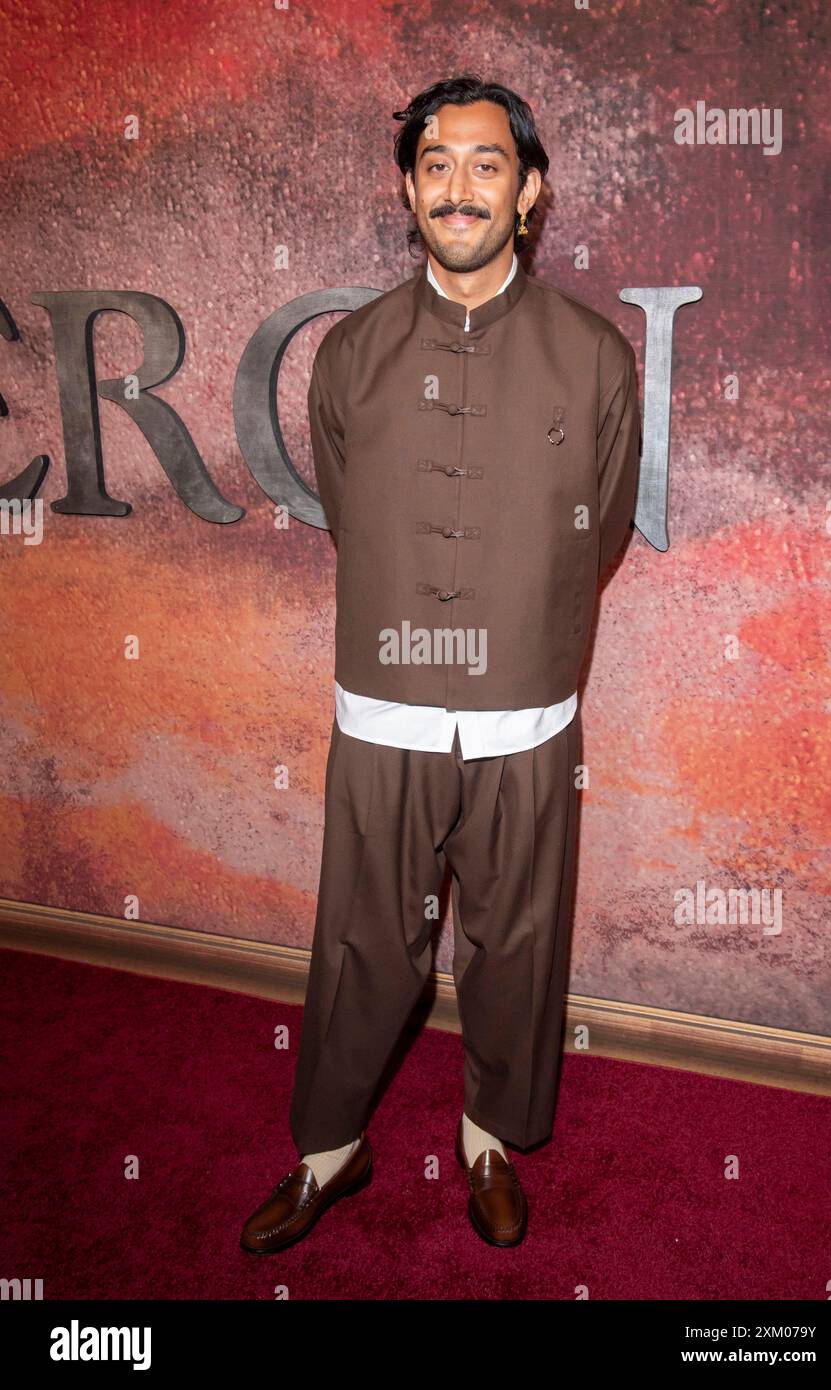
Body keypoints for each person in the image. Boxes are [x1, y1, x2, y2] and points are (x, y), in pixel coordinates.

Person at [241, 72, 640, 1254]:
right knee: (365, 935)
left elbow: (603, 526)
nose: (456, 186)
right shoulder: (351, 354)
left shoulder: (593, 357)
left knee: (517, 937)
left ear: (528, 192)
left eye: (482, 164)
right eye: (433, 165)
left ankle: (486, 1137)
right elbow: (346, 506)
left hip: (527, 708)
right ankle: (329, 1149)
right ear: (406, 190)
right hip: (385, 703)